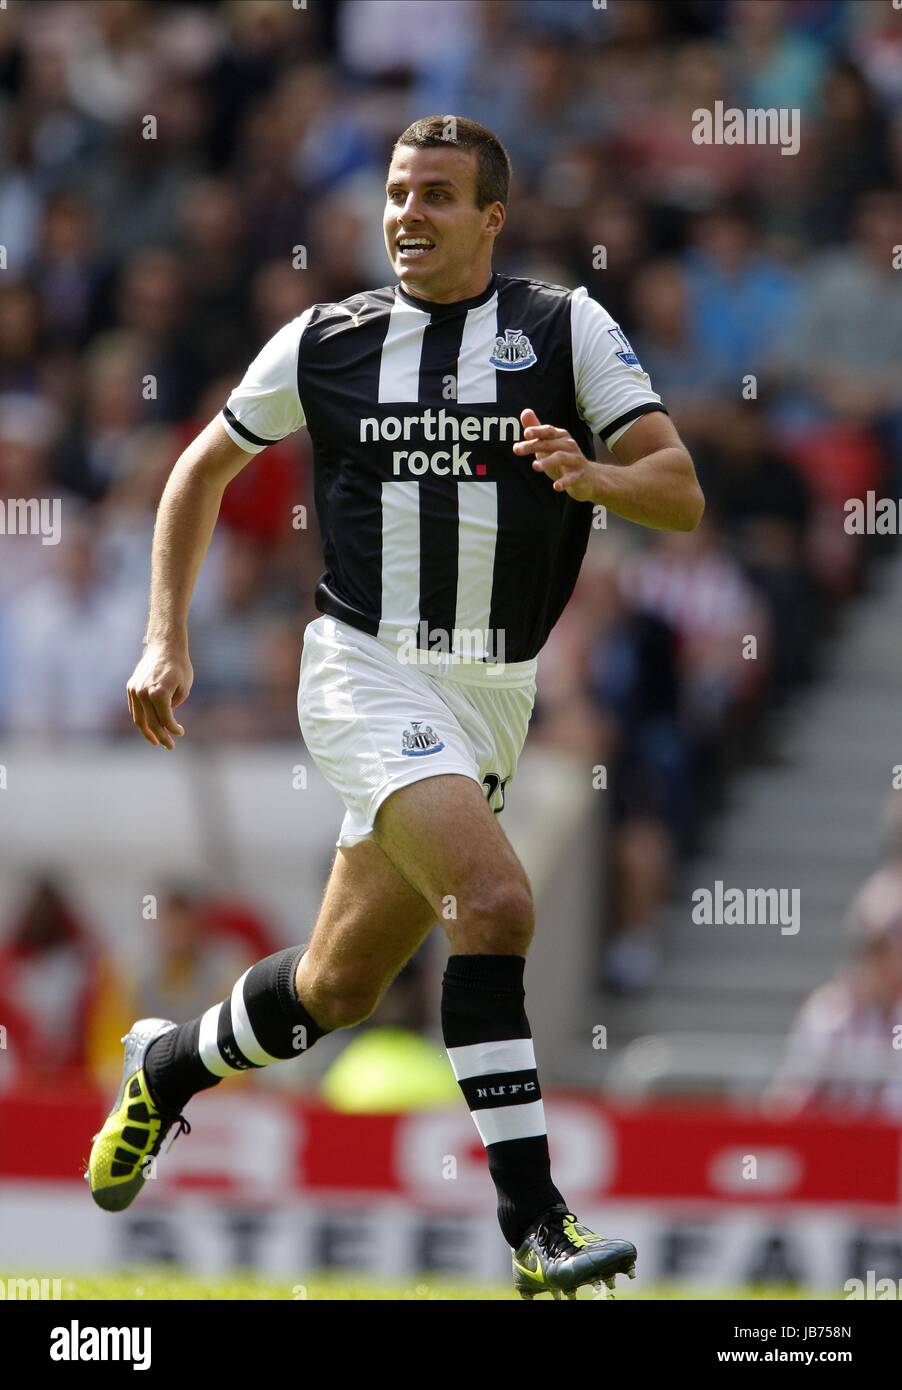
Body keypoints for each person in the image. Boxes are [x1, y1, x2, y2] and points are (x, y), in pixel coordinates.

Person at [86, 115, 704, 1299]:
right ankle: (535, 1223)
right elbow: (199, 466)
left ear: (492, 217)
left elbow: (676, 491)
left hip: (493, 690)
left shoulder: (560, 327)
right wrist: (165, 633)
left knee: (333, 987)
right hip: (364, 667)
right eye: (395, 193)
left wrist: (594, 475)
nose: (407, 214)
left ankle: (165, 1069)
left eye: (435, 195)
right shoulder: (326, 339)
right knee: (496, 898)